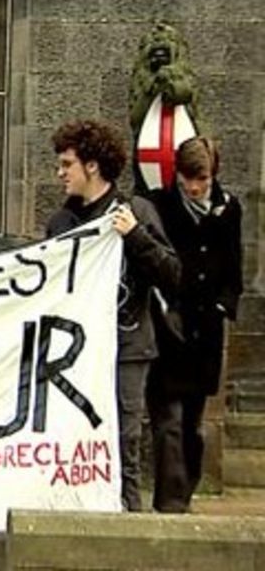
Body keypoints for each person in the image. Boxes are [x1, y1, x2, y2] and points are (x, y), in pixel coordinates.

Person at [45, 119, 180, 512]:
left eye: (67, 164)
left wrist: (136, 236)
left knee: (124, 442)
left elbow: (173, 275)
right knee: (73, 438)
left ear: (92, 166)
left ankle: (129, 523)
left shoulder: (136, 211)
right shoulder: (61, 224)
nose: (60, 173)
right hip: (75, 353)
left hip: (127, 346)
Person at [146, 137, 242, 513]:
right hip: (170, 326)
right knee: (167, 420)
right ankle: (170, 502)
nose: (193, 187)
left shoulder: (228, 208)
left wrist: (223, 304)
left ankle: (185, 491)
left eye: (199, 179)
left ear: (211, 175)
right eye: (186, 178)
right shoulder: (160, 205)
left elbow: (233, 266)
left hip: (206, 328)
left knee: (192, 424)